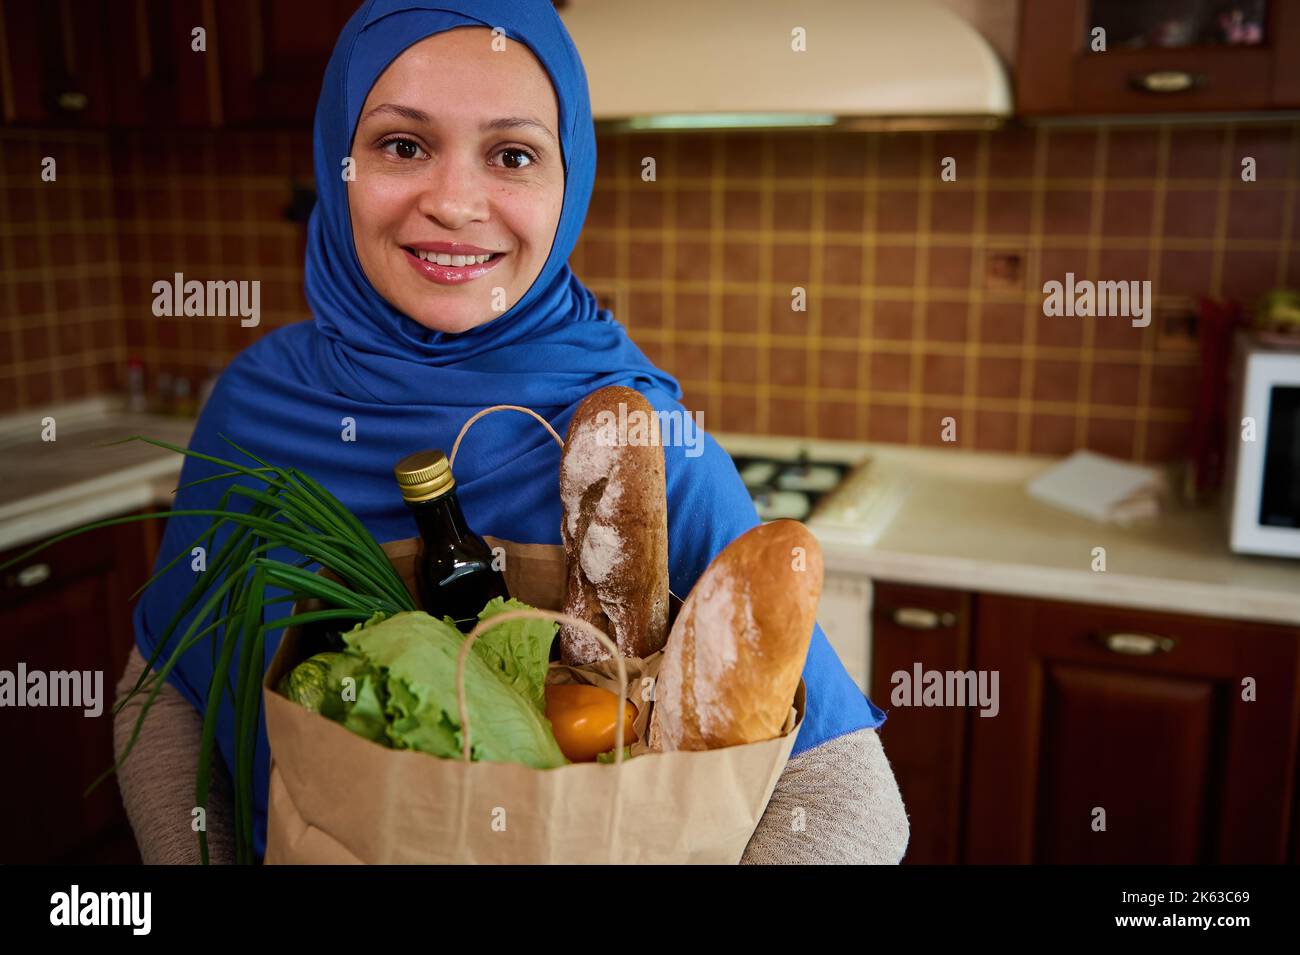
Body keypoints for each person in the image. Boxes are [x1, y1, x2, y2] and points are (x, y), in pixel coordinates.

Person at [113, 0, 908, 865]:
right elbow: (164, 686)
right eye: (402, 145)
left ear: (570, 183)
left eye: (513, 154)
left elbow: (849, 802)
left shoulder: (642, 448)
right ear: (338, 160)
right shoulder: (254, 406)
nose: (454, 203)